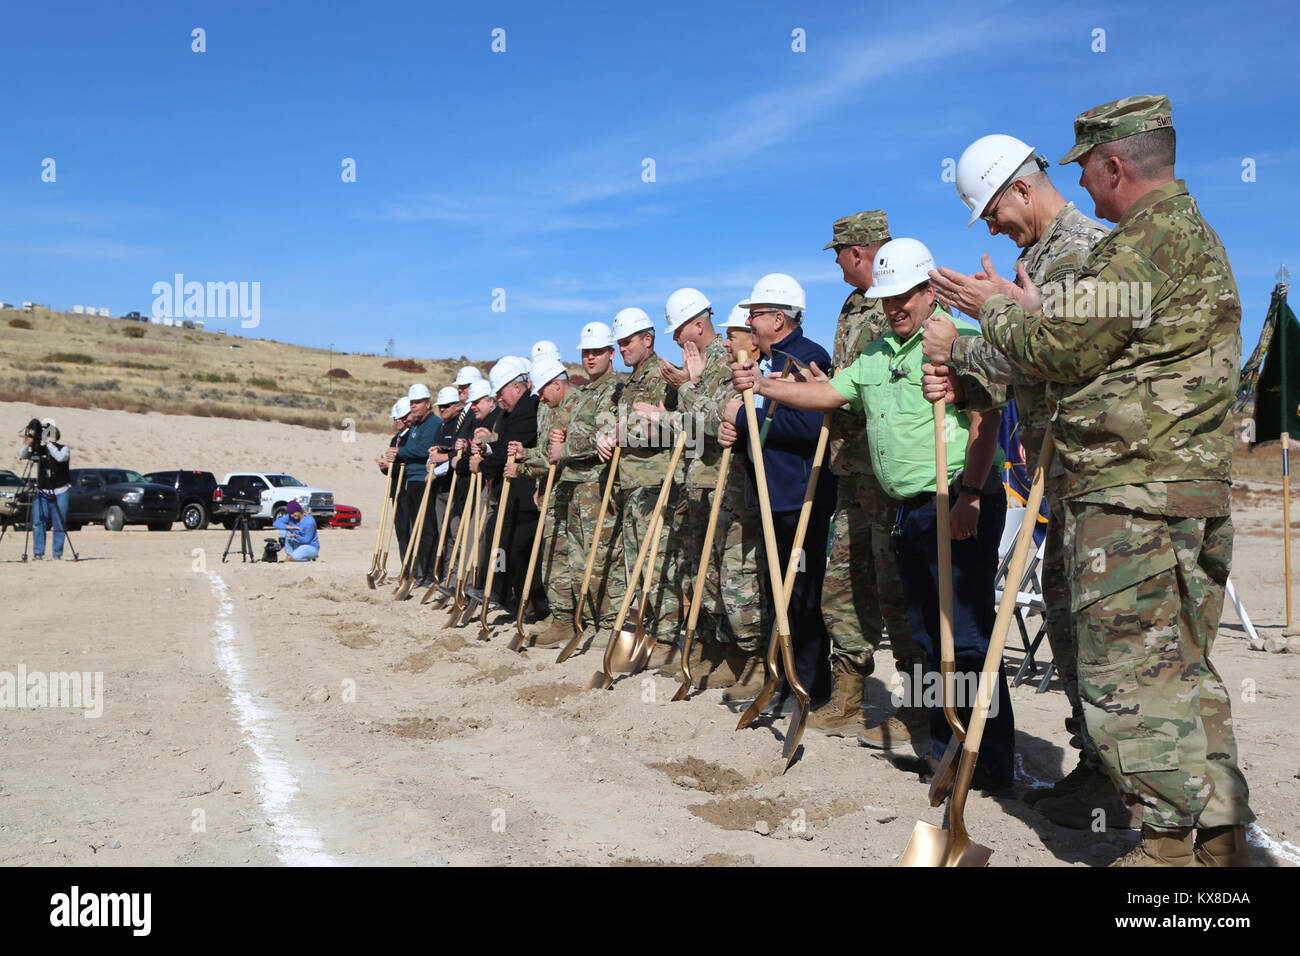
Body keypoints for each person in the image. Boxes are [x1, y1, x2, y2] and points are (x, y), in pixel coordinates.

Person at [928, 95, 1253, 866]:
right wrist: (1010, 316)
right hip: (1163, 484)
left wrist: (982, 323)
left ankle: (1171, 847)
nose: (1088, 191)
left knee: (1135, 677)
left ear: (1113, 165)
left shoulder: (1138, 244)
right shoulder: (1170, 238)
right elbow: (1079, 347)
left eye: (1090, 172)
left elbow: (1061, 354)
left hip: (1133, 489)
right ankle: (1214, 841)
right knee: (1173, 671)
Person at [731, 244, 1013, 789]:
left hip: (954, 499)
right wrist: (765, 386)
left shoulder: (958, 341)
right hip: (907, 510)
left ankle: (989, 759)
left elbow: (987, 420)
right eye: (886, 298)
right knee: (929, 637)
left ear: (929, 292)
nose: (893, 307)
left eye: (904, 296)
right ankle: (942, 743)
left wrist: (972, 495)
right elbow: (829, 393)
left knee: (969, 637)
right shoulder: (880, 351)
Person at [923, 133, 1114, 826]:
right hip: (1061, 481)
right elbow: (1015, 370)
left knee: (1102, 640)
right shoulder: (1036, 258)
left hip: (1096, 477)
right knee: (1070, 632)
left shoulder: (1080, 251)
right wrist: (961, 371)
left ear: (1022, 190)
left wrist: (965, 343)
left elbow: (1057, 355)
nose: (995, 228)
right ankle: (1099, 770)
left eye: (995, 214)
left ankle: (1132, 788)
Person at [814, 210, 927, 740]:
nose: (836, 263)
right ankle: (848, 692)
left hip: (895, 479)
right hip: (850, 473)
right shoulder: (852, 306)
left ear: (856, 251)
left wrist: (835, 391)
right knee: (842, 585)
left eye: (838, 253)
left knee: (897, 591)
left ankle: (920, 705)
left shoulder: (909, 302)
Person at [720, 273, 838, 712]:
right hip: (769, 494)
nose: (748, 321)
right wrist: (733, 421)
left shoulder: (808, 357)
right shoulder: (765, 361)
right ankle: (783, 676)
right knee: (776, 592)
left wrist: (748, 415)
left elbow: (810, 425)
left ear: (778, 317)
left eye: (755, 313)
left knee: (802, 593)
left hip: (799, 495)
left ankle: (811, 684)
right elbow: (755, 420)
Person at [668, 301, 766, 689]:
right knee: (708, 576)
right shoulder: (711, 370)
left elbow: (717, 417)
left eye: (733, 336)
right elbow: (695, 421)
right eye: (724, 336)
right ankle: (725, 648)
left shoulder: (736, 373)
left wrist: (689, 389)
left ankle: (752, 655)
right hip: (703, 483)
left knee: (738, 577)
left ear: (754, 343)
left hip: (735, 487)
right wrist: (687, 396)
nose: (726, 344)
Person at [597, 307, 683, 653]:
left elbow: (675, 426)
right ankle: (648, 630)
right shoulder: (627, 383)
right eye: (618, 344)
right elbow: (617, 427)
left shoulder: (665, 375)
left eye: (628, 342)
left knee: (659, 562)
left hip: (656, 484)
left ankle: (666, 638)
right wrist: (607, 435)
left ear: (648, 339)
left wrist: (623, 432)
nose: (622, 349)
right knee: (638, 565)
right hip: (630, 484)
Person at [551, 321, 627, 639]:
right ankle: (589, 620)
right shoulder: (582, 393)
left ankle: (609, 625)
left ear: (611, 353)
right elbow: (561, 429)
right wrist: (560, 440)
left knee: (604, 557)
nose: (591, 358)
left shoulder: (616, 389)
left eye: (597, 352)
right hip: (573, 485)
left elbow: (603, 439)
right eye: (586, 353)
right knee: (579, 559)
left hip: (598, 485)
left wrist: (565, 448)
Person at [513, 356, 579, 637]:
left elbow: (560, 454)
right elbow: (546, 452)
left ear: (556, 384)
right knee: (552, 555)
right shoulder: (553, 407)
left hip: (574, 492)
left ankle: (571, 620)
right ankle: (559, 616)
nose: (540, 398)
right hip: (553, 490)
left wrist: (523, 464)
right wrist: (525, 456)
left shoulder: (573, 405)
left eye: (542, 391)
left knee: (569, 557)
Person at [481, 356, 542, 613]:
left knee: (513, 546)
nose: (499, 399)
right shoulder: (511, 413)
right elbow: (502, 447)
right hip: (511, 493)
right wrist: (486, 450)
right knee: (506, 543)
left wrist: (485, 457)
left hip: (525, 492)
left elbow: (510, 447)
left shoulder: (528, 409)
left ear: (517, 387)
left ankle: (504, 592)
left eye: (501, 392)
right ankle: (504, 594)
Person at [386, 383, 439, 586]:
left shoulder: (433, 424)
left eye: (417, 402)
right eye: (412, 403)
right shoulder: (416, 425)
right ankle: (416, 572)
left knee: (426, 529)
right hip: (410, 480)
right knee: (413, 530)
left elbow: (423, 449)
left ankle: (426, 573)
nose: (414, 406)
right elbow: (413, 448)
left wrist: (400, 453)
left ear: (427, 404)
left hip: (422, 480)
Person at [18, 418, 71, 560]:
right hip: (42, 491)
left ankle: (57, 554)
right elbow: (22, 456)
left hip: (61, 491)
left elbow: (60, 458)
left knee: (59, 523)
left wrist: (49, 444)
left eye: (50, 433)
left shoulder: (63, 449)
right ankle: (38, 553)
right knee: (38, 522)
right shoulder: (39, 450)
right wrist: (28, 442)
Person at [377, 397, 411, 565]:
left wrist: (392, 466)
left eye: (400, 417)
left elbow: (407, 466)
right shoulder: (395, 439)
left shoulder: (411, 437)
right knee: (400, 530)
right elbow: (395, 469)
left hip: (407, 490)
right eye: (395, 418)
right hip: (395, 490)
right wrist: (385, 468)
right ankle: (403, 566)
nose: (397, 421)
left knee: (408, 529)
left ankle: (410, 568)